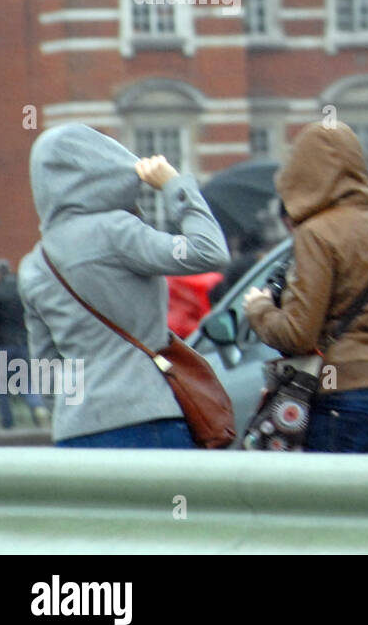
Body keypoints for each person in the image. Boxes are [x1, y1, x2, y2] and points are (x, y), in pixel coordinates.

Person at [17, 124, 231, 448]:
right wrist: (176, 186)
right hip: (146, 416)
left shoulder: (34, 264)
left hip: (74, 431)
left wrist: (71, 413)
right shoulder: (117, 232)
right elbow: (209, 251)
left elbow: (45, 368)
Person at [241, 122, 368, 454]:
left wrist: (260, 309)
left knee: (338, 505)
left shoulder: (316, 235)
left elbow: (299, 335)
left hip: (340, 397)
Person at [0, 259, 50, 429]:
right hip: (24, 342)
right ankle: (38, 407)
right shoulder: (22, 290)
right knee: (25, 381)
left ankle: (8, 424)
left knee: (1, 386)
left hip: (4, 344)